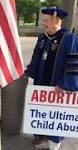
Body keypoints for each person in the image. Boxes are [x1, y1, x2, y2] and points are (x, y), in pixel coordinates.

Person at [25, 6, 78, 150]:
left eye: (46, 20)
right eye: (43, 20)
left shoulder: (69, 38)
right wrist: (29, 72)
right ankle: (41, 137)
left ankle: (54, 145)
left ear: (56, 20)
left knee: (55, 114)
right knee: (41, 112)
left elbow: (74, 64)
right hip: (41, 82)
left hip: (57, 86)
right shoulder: (43, 37)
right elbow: (36, 56)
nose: (43, 23)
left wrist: (64, 84)